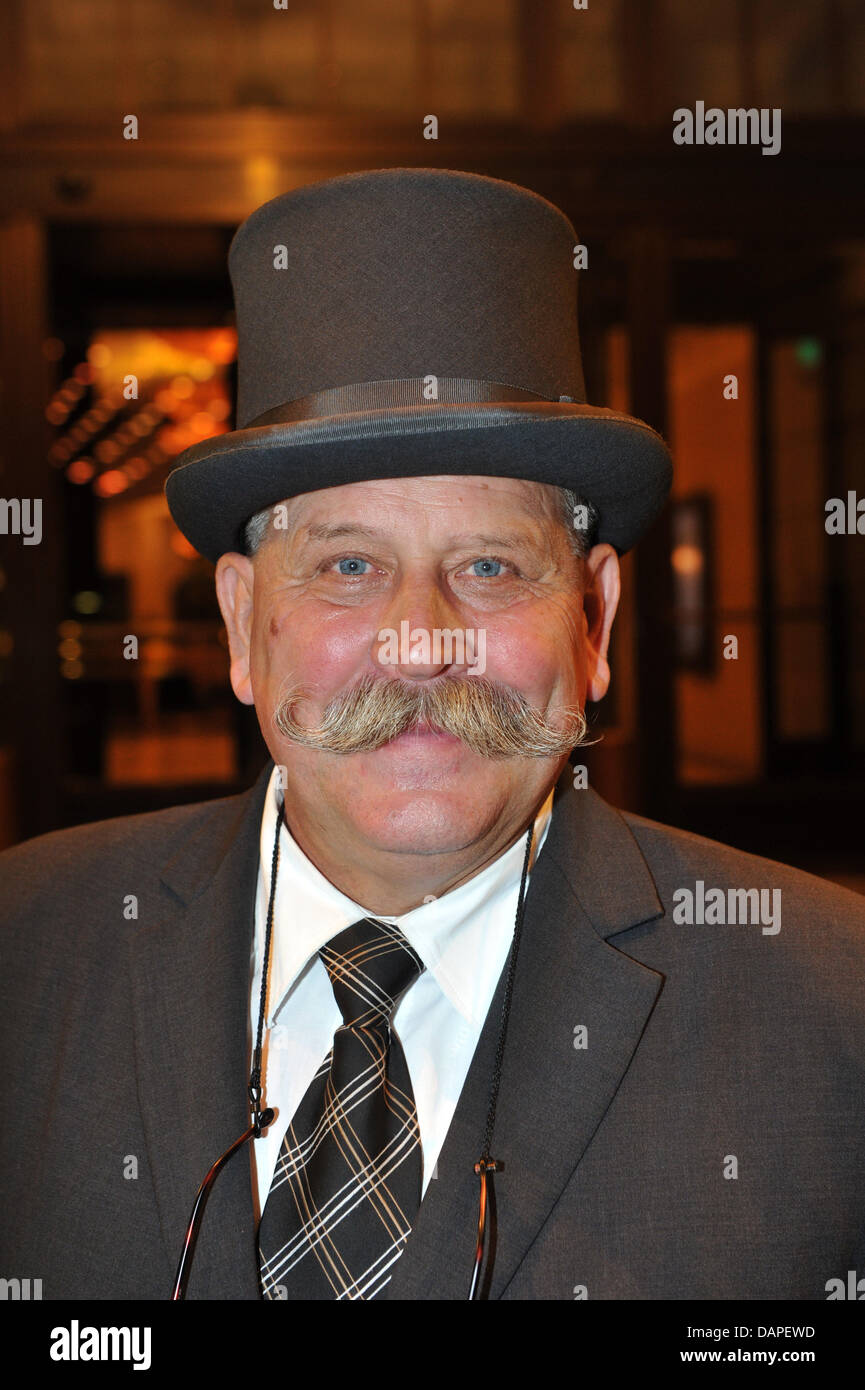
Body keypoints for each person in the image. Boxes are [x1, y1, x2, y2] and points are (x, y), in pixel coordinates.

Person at [1, 168, 863, 1302]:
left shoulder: (833, 1009)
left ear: (592, 620)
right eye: (348, 566)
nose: (419, 643)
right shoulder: (27, 950)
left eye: (490, 567)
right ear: (239, 624)